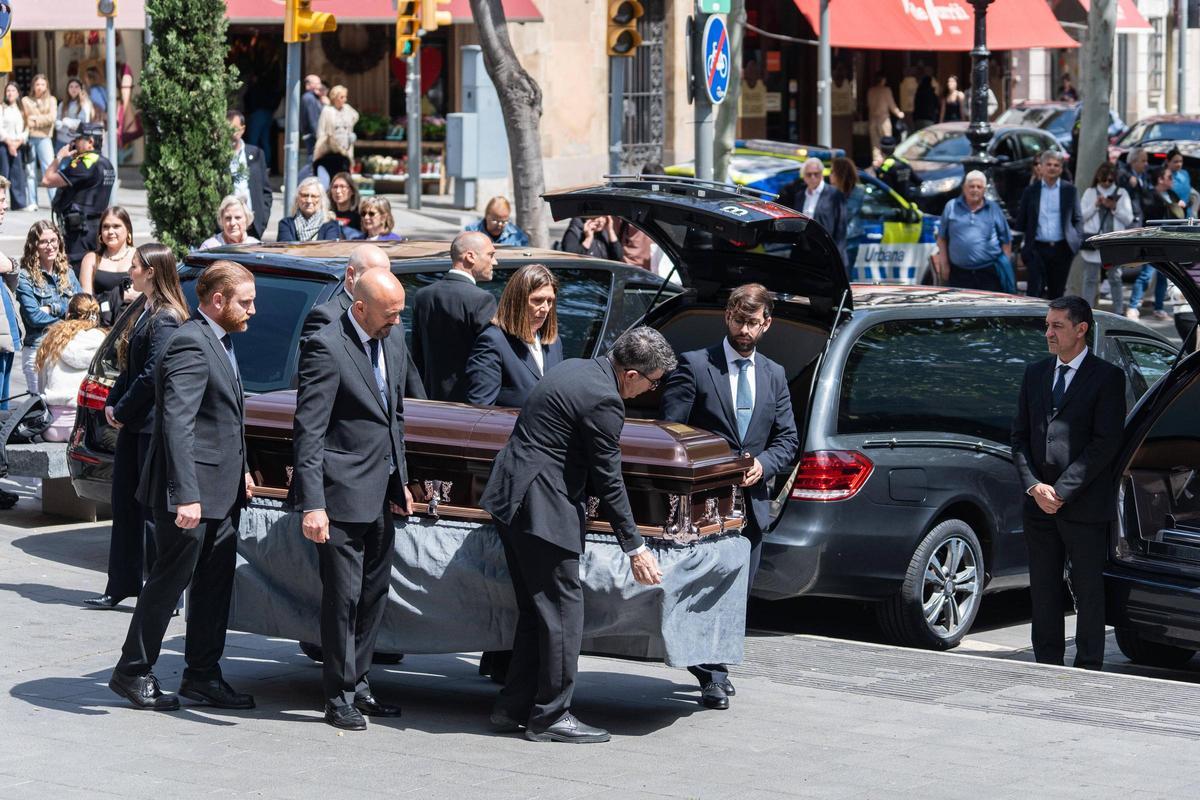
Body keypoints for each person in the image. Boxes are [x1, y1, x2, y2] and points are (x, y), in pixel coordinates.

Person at [481, 326, 669, 743]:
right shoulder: (605, 400)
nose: (651, 391)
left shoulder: (573, 368)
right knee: (566, 614)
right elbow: (610, 479)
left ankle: (513, 706)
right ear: (633, 375)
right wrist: (635, 546)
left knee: (538, 609)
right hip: (542, 509)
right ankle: (551, 717)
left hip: (512, 497)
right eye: (653, 382)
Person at [108, 261, 258, 712]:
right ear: (217, 301)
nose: (254, 310)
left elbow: (225, 418)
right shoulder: (190, 343)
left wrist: (243, 469)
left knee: (214, 585)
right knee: (169, 582)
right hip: (189, 495)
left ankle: (202, 675)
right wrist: (185, 495)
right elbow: (178, 423)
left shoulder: (221, 340)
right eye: (246, 302)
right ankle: (132, 670)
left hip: (221, 488)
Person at [661, 284, 799, 710]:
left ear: (766, 324)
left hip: (751, 505)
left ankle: (714, 665)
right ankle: (713, 674)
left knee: (738, 589)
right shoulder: (696, 366)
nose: (744, 330)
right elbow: (672, 433)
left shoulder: (774, 373)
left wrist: (764, 463)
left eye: (753, 323)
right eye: (738, 320)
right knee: (706, 586)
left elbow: (788, 439)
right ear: (727, 317)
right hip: (704, 504)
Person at [293, 268, 414, 731]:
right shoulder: (327, 347)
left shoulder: (395, 339)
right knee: (342, 599)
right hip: (340, 494)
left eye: (400, 313)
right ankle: (337, 693)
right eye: (389, 314)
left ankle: (360, 682)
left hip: (381, 491)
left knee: (373, 594)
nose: (396, 322)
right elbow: (309, 431)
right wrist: (313, 503)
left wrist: (401, 478)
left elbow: (395, 416)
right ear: (359, 308)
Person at [1011, 295, 1125, 670]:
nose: (1049, 333)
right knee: (1043, 589)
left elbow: (1105, 443)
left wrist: (1062, 490)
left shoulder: (1107, 377)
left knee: (1088, 590)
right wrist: (1034, 486)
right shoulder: (1035, 373)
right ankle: (1046, 661)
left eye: (1057, 325)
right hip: (1038, 504)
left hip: (1083, 505)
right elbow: (1020, 438)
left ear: (1081, 329)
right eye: (1047, 325)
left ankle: (1089, 663)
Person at [86, 243, 188, 611]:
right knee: (125, 504)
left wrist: (124, 409)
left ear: (152, 272)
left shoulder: (166, 317)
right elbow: (130, 367)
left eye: (135, 267)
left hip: (150, 425)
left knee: (150, 510)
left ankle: (163, 591)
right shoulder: (144, 310)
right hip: (134, 423)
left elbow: (154, 373)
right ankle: (122, 584)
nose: (129, 271)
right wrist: (113, 402)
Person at [300, 243, 426, 399]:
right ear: (351, 275)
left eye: (386, 274)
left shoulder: (392, 320)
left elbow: (409, 381)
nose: (381, 281)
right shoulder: (327, 318)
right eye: (373, 274)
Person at [411, 231, 498, 402]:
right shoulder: (482, 300)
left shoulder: (423, 296)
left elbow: (417, 357)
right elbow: (489, 360)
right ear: (470, 256)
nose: (495, 261)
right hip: (469, 406)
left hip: (428, 402)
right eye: (490, 255)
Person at [466, 263, 564, 407]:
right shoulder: (493, 341)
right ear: (518, 301)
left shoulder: (553, 342)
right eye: (537, 300)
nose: (545, 308)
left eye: (550, 301)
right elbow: (480, 410)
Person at [15, 221, 82, 393]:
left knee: (65, 411)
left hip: (67, 348)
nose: (50, 246)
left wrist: (51, 308)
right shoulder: (25, 277)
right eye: (44, 242)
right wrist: (65, 312)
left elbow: (81, 309)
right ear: (34, 246)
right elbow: (34, 317)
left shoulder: (67, 273)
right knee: (40, 411)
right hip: (39, 350)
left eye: (54, 240)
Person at [35, 293, 104, 441]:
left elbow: (41, 384)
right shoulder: (100, 340)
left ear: (68, 313)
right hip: (82, 425)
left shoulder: (54, 338)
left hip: (50, 426)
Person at [43, 131, 117, 268]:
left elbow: (47, 179)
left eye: (78, 140)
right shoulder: (107, 163)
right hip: (96, 226)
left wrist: (59, 157)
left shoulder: (85, 163)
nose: (74, 144)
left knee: (78, 270)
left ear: (90, 142)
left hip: (79, 231)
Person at [1015, 150, 1081, 300]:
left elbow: (1077, 218)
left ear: (1061, 168)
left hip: (1062, 249)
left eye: (1056, 165)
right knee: (1034, 292)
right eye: (1049, 164)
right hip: (1036, 249)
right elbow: (1021, 221)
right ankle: (1033, 322)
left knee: (1057, 294)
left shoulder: (1070, 190)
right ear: (1042, 167)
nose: (1052, 168)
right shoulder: (1030, 191)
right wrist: (1020, 250)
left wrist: (1076, 242)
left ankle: (1054, 323)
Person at [935, 170, 1013, 292]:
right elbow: (942, 239)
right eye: (971, 186)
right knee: (960, 309)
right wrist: (944, 265)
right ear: (964, 188)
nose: (975, 190)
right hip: (959, 273)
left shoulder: (993, 208)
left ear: (984, 190)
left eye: (979, 187)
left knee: (988, 309)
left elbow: (1006, 241)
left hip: (988, 272)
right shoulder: (951, 206)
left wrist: (1004, 266)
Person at [1126, 167, 1182, 321]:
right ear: (1160, 179)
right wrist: (1169, 206)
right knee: (1146, 274)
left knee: (1164, 275)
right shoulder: (1150, 194)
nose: (1172, 180)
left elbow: (1179, 215)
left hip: (1168, 240)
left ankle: (1159, 308)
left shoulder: (1172, 194)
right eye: (1170, 177)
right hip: (1152, 239)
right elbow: (1150, 212)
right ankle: (1133, 306)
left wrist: (1180, 206)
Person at [1078, 162, 1133, 314]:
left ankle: (1118, 311)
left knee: (1115, 278)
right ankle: (1086, 312)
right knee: (1089, 279)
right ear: (1098, 178)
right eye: (1104, 180)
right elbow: (1081, 216)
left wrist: (1114, 207)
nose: (1107, 183)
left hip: (1113, 243)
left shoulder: (1121, 192)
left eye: (1110, 180)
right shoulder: (1090, 192)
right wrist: (1095, 205)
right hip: (1094, 242)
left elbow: (1129, 219)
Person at [79, 206, 137, 326]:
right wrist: (119, 296)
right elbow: (86, 301)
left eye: (116, 226)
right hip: (100, 325)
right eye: (105, 227)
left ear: (128, 230)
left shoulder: (139, 256)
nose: (110, 231)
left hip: (134, 323)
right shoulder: (91, 259)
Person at [783, 158, 846, 261]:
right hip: (802, 250)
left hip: (825, 252)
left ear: (821, 174)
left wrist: (836, 255)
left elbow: (841, 228)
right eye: (809, 174)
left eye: (816, 174)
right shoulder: (800, 195)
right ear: (804, 177)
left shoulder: (834, 194)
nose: (813, 177)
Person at [227, 110, 272, 240]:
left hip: (253, 226)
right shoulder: (218, 157)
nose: (230, 132)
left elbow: (266, 191)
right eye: (227, 128)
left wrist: (262, 220)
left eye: (234, 128)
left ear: (243, 129)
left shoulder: (256, 153)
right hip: (227, 226)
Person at [0, 176, 23, 418]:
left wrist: (10, 264)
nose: (4, 206)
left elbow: (10, 269)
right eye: (1, 200)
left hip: (6, 336)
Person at [21, 75, 58, 211]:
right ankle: (32, 201)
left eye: (43, 84)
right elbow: (25, 120)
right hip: (30, 138)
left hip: (45, 138)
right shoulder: (26, 100)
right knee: (30, 171)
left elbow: (52, 118)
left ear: (46, 86)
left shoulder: (51, 100)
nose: (40, 87)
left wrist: (35, 119)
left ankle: (54, 201)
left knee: (49, 169)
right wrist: (41, 119)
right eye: (37, 84)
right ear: (33, 86)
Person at [313, 85, 358, 188]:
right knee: (329, 179)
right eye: (342, 97)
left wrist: (349, 134)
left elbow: (356, 116)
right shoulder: (327, 110)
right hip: (330, 151)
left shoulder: (347, 108)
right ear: (335, 97)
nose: (344, 100)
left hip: (345, 150)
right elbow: (320, 131)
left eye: (345, 97)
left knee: (345, 178)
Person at [277, 177, 348, 242]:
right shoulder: (286, 224)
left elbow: (329, 251)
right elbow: (286, 249)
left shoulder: (331, 225)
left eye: (314, 196)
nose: (309, 200)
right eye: (305, 195)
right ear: (297, 199)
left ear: (321, 200)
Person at [0, 83, 29, 211]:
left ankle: (19, 203)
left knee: (17, 174)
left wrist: (19, 141)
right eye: (8, 91)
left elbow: (26, 127)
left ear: (18, 93)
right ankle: (2, 201)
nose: (10, 93)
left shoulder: (22, 109)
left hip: (18, 145)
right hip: (4, 144)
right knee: (3, 174)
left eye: (13, 90)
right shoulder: (2, 108)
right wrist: (9, 142)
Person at [829, 157, 860, 272]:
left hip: (849, 240)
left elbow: (845, 214)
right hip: (833, 239)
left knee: (844, 274)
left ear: (840, 173)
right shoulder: (829, 190)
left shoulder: (857, 192)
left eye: (832, 172)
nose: (829, 175)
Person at [464, 196, 530, 247]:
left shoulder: (517, 235)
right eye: (495, 220)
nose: (500, 225)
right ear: (486, 215)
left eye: (504, 221)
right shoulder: (471, 232)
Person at [866, 72, 903, 152]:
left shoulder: (870, 91)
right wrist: (899, 114)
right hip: (883, 120)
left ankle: (876, 162)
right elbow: (892, 105)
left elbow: (868, 105)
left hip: (872, 120)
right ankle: (886, 162)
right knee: (887, 144)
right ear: (883, 80)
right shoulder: (886, 90)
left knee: (875, 146)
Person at [54, 78, 93, 152]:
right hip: (62, 141)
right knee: (62, 163)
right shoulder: (62, 104)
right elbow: (57, 120)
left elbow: (83, 122)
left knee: (76, 163)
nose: (73, 89)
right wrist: (58, 123)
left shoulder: (85, 104)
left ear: (81, 89)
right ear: (67, 89)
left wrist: (66, 121)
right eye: (71, 87)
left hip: (77, 142)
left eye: (76, 87)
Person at [1117, 147, 1152, 225]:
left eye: (1147, 161)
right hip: (1129, 218)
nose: (1146, 164)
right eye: (1143, 161)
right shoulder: (1124, 175)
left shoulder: (1146, 175)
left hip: (1144, 218)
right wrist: (1129, 178)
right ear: (1133, 162)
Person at [299, 74, 324, 167]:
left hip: (312, 134)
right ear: (309, 85)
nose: (320, 85)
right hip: (312, 135)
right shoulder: (309, 98)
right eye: (317, 83)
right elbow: (313, 119)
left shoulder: (314, 97)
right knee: (312, 159)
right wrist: (318, 136)